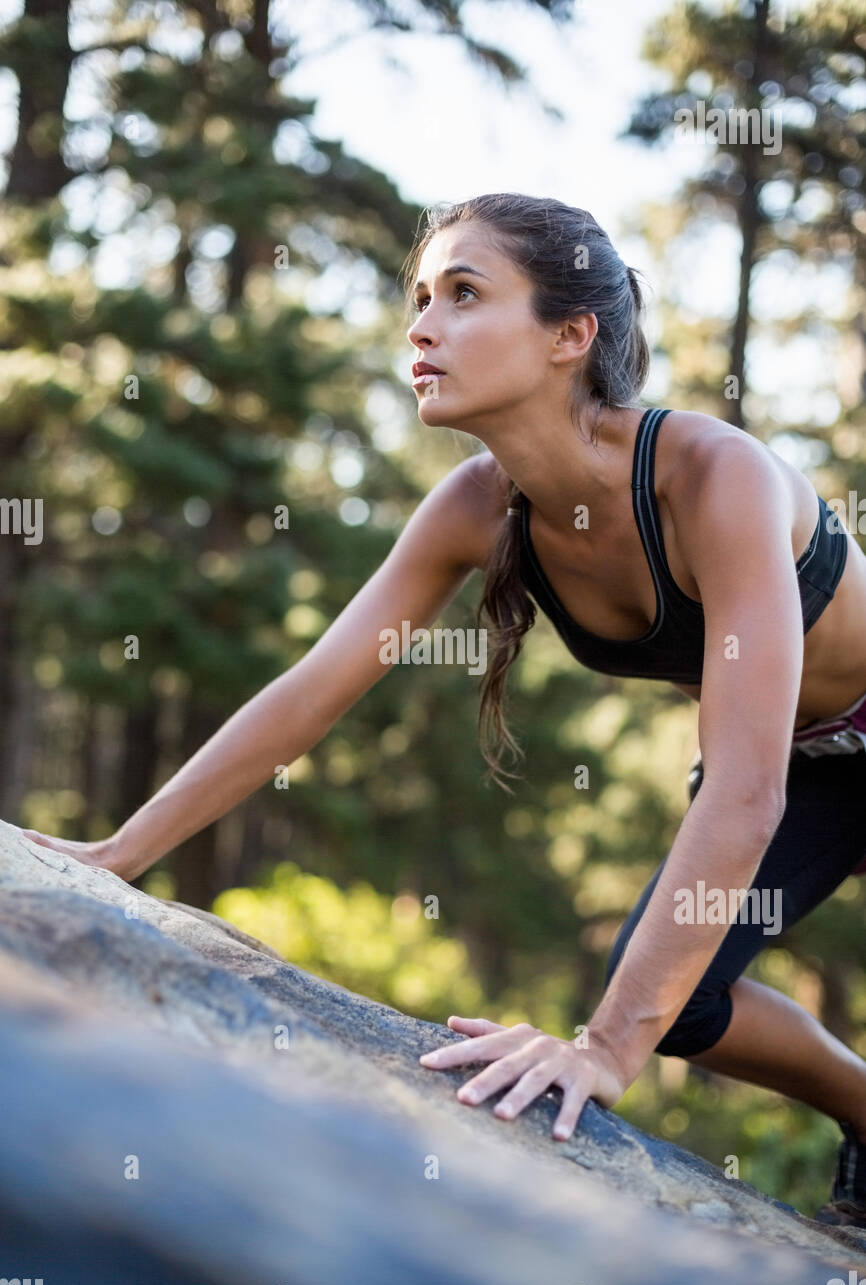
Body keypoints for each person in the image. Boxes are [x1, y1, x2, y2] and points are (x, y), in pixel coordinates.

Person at [23, 192, 866, 1230]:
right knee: (678, 1000)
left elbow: (741, 789)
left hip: (805, 755)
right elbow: (309, 695)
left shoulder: (711, 477)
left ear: (570, 335)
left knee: (639, 1012)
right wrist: (116, 854)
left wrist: (601, 1049)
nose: (421, 324)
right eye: (419, 296)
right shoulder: (474, 508)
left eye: (462, 294)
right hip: (810, 765)